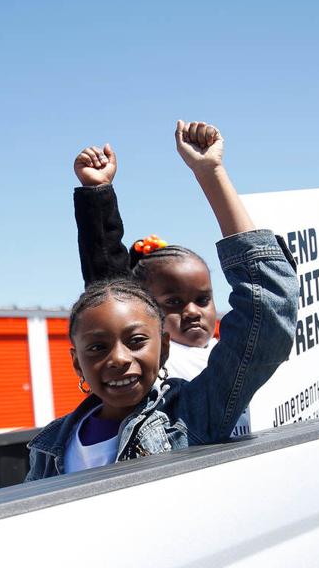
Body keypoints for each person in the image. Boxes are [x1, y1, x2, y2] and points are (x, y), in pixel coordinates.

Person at [26, 121, 298, 479]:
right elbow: (111, 300)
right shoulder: (51, 446)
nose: (120, 359)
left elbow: (267, 313)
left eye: (138, 341)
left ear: (164, 348)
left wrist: (210, 172)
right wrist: (97, 197)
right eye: (96, 348)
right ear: (76, 362)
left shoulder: (191, 415)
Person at [71, 130, 255, 436]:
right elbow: (109, 286)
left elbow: (265, 318)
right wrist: (97, 194)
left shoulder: (232, 355)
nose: (193, 312)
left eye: (203, 299)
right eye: (173, 302)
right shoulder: (154, 364)